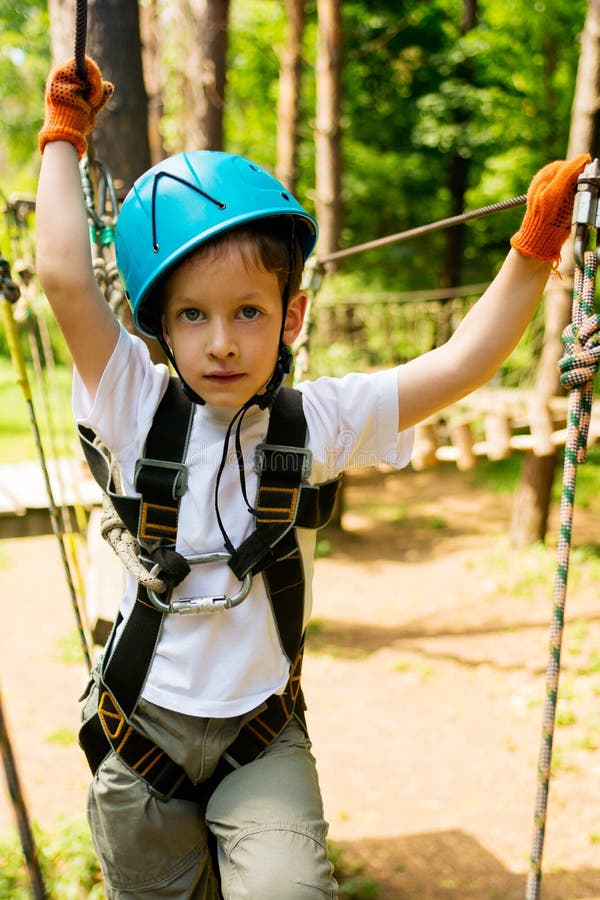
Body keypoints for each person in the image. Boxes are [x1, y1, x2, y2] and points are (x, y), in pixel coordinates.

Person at [35, 56, 588, 900]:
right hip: (137, 743)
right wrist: (62, 138)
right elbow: (67, 278)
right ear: (161, 325)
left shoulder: (314, 422)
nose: (221, 341)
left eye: (248, 312)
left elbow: (461, 363)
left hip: (262, 742)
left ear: (291, 314)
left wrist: (533, 247)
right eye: (193, 315)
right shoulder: (131, 403)